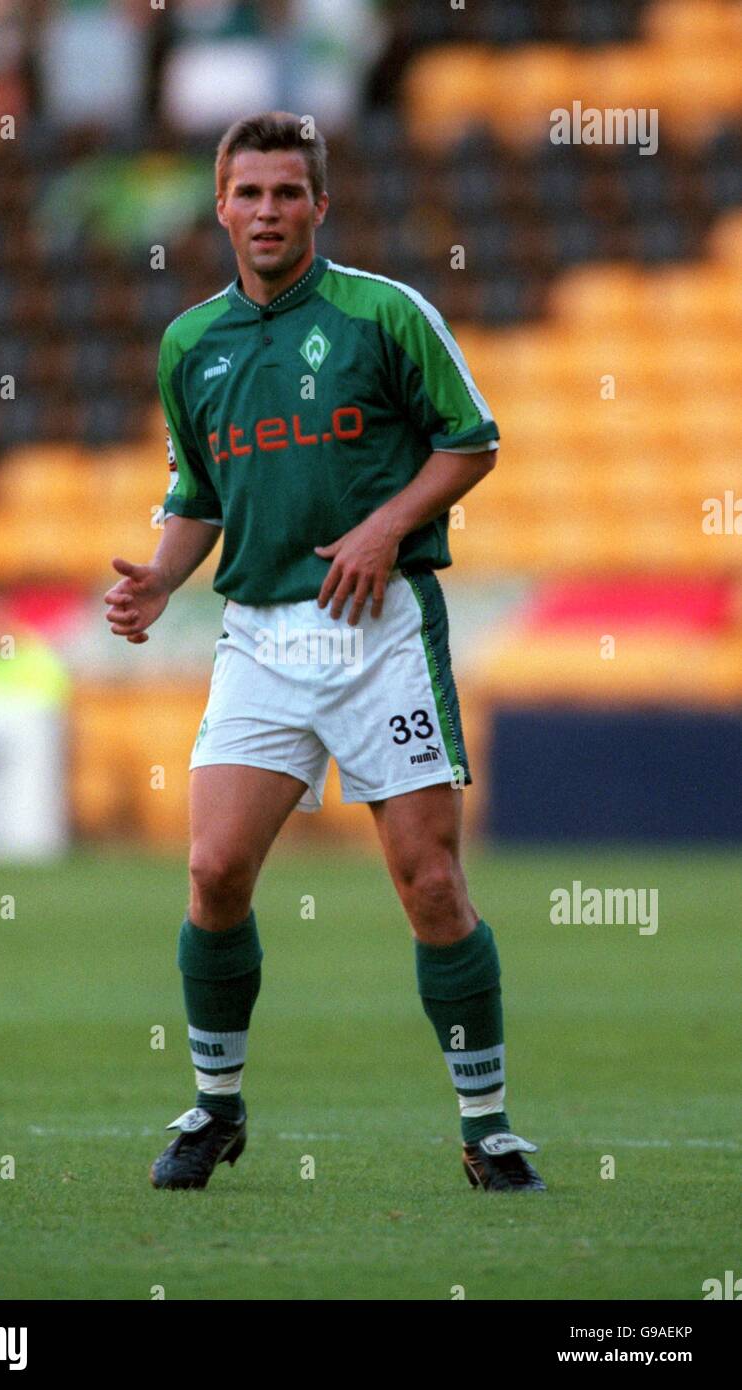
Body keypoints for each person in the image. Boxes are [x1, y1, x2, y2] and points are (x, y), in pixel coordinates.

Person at [104, 111, 546, 1194]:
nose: (266, 211)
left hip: (381, 629)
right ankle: (214, 1107)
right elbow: (195, 495)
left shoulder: (383, 314)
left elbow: (471, 440)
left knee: (430, 883)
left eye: (286, 193)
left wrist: (385, 524)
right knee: (212, 872)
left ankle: (485, 1129)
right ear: (218, 205)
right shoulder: (188, 345)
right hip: (257, 635)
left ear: (318, 204)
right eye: (247, 193)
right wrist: (163, 577)